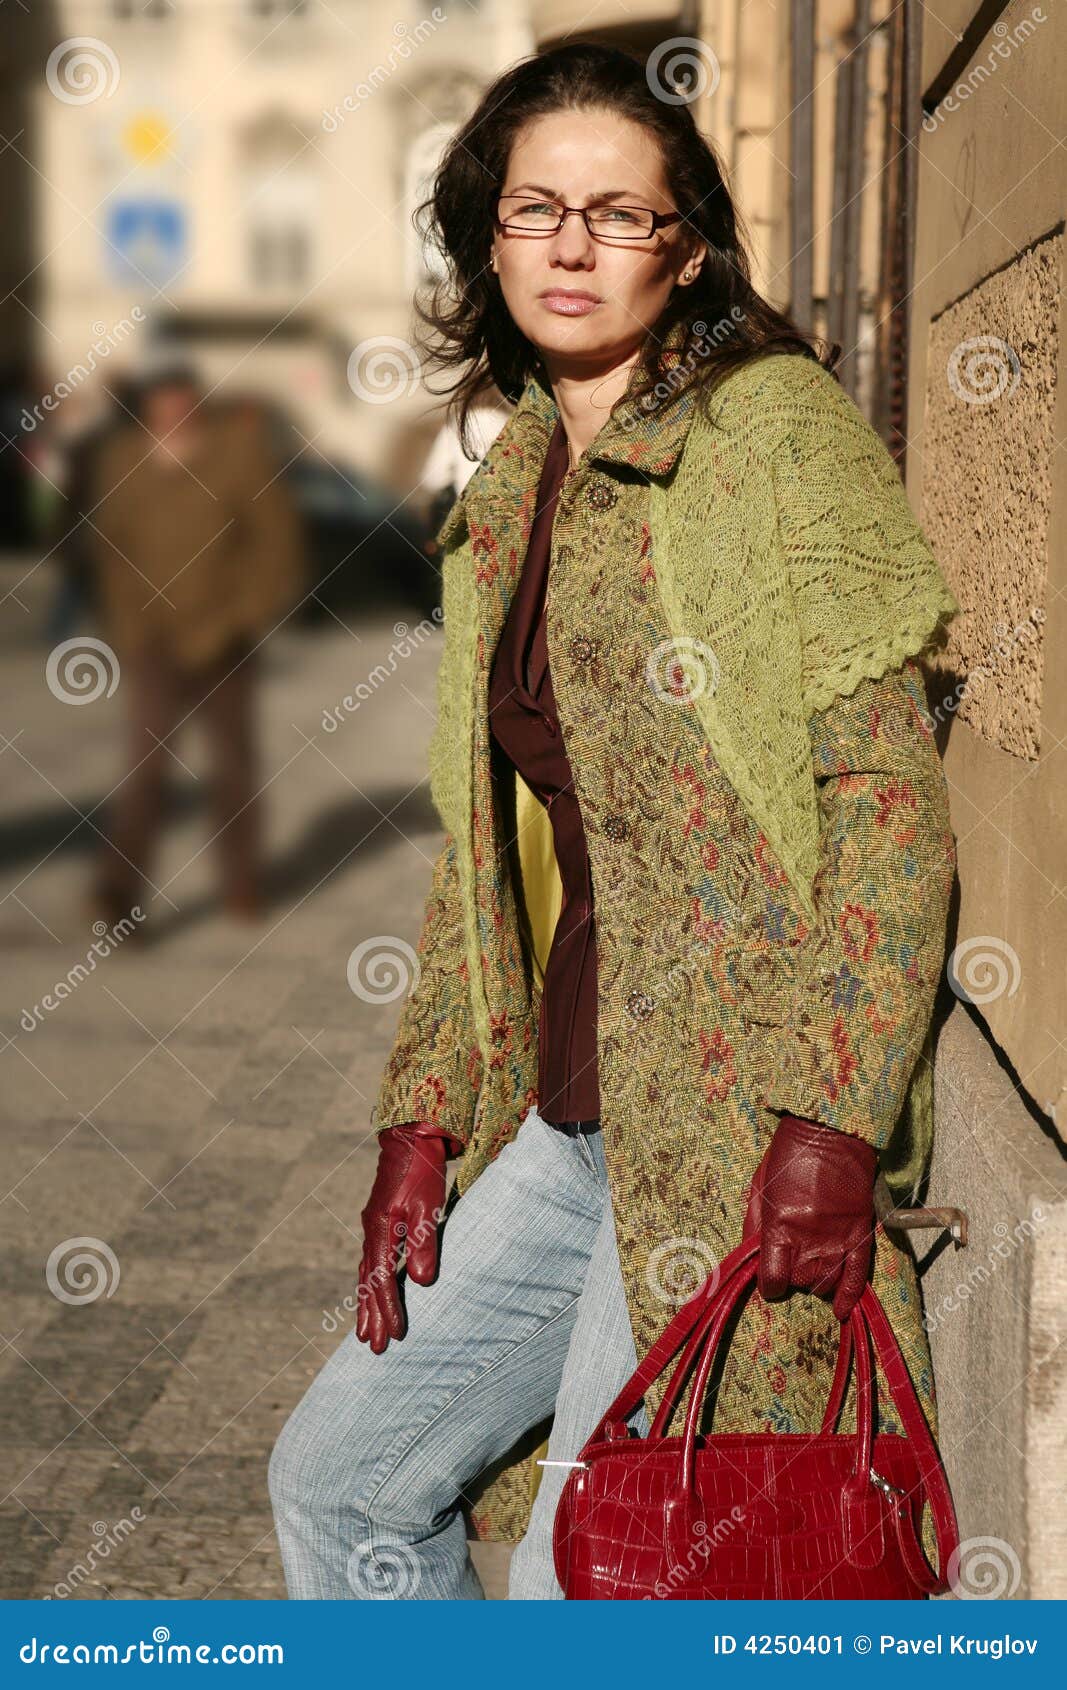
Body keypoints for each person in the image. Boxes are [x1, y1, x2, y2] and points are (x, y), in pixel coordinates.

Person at [269, 40, 959, 1599]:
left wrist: (831, 1116)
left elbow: (884, 806)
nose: (570, 245)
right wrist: (419, 1121)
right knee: (340, 1482)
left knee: (585, 1578)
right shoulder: (512, 489)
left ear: (688, 246)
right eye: (533, 209)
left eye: (616, 213)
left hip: (734, 1117)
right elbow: (481, 859)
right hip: (570, 1128)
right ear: (485, 235)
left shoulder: (769, 440)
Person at [88, 360, 304, 927]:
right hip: (153, 640)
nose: (172, 410)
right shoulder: (123, 458)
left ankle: (241, 883)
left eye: (182, 399)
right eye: (162, 400)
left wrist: (243, 615)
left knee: (232, 767)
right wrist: (128, 625)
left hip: (223, 638)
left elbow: (276, 543)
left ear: (196, 401)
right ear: (148, 405)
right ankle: (117, 893)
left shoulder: (238, 451)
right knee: (147, 765)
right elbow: (111, 550)